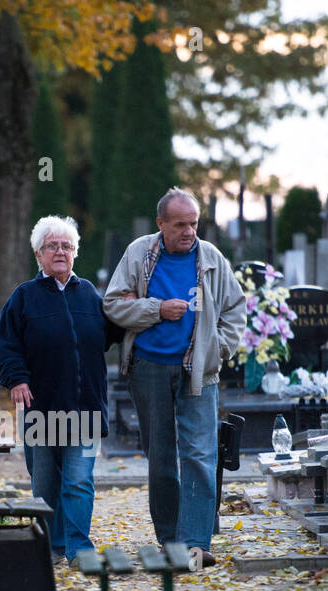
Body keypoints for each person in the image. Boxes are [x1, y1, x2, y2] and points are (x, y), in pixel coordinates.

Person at [103, 188, 246, 568]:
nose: (189, 231)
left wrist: (219, 349)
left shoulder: (211, 258)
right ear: (161, 224)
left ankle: (196, 543)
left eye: (194, 224)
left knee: (200, 452)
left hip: (199, 371)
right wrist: (156, 309)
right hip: (148, 367)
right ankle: (169, 541)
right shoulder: (139, 253)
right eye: (180, 224)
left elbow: (236, 308)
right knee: (161, 454)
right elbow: (112, 304)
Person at [0, 215, 116, 565]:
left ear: (75, 252)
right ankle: (51, 545)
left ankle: (79, 549)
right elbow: (6, 344)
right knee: (45, 483)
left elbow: (112, 333)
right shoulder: (24, 297)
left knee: (78, 480)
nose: (60, 251)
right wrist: (17, 378)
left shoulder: (90, 294)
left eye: (67, 246)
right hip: (41, 407)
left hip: (85, 405)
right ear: (38, 254)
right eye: (52, 246)